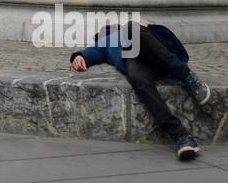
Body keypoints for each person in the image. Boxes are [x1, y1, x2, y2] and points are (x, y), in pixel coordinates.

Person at [70, 21, 211, 160]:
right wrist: (79, 57)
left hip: (158, 53)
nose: (113, 27)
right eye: (109, 28)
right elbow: (91, 52)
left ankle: (188, 77)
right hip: (135, 61)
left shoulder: (132, 28)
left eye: (116, 26)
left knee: (132, 28)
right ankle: (180, 135)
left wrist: (148, 26)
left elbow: (164, 36)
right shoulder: (105, 42)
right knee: (137, 77)